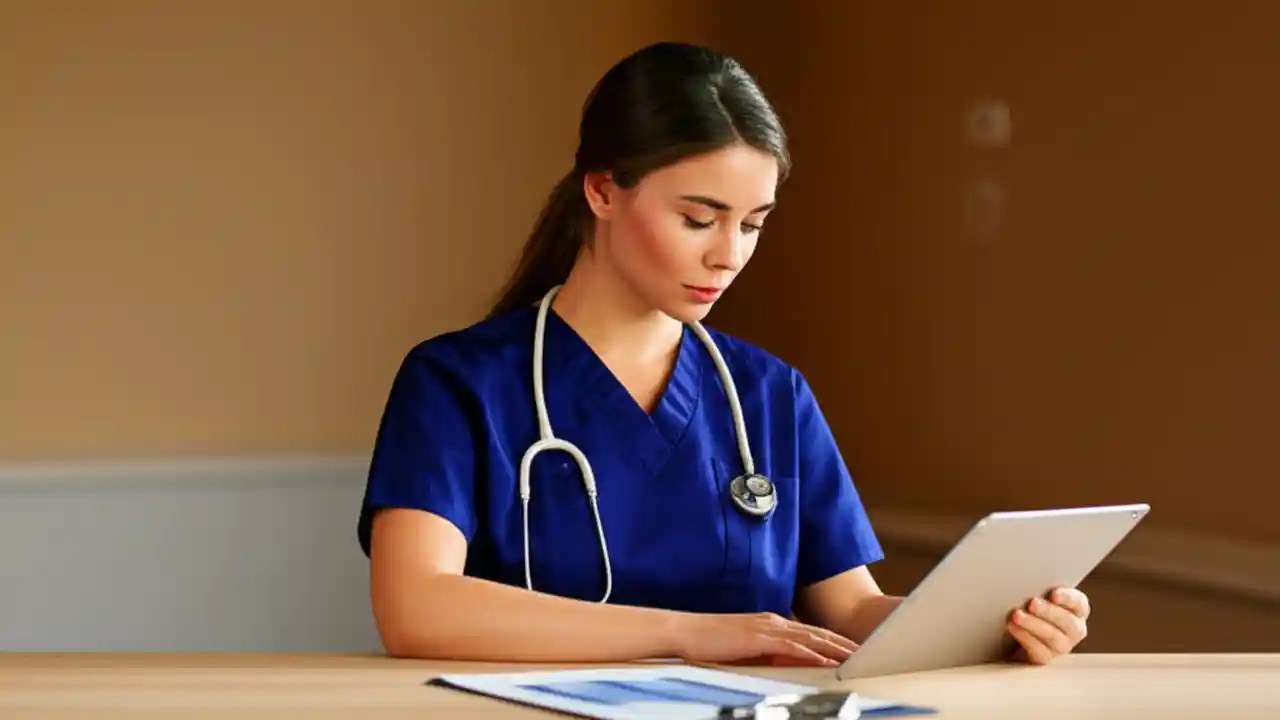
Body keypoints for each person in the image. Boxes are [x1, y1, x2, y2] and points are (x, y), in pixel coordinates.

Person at [355, 41, 1090, 668]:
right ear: (604, 191)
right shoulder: (459, 383)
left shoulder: (769, 393)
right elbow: (417, 608)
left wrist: (992, 628)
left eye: (753, 224)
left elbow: (852, 609)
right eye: (698, 218)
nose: (728, 255)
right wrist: (687, 635)